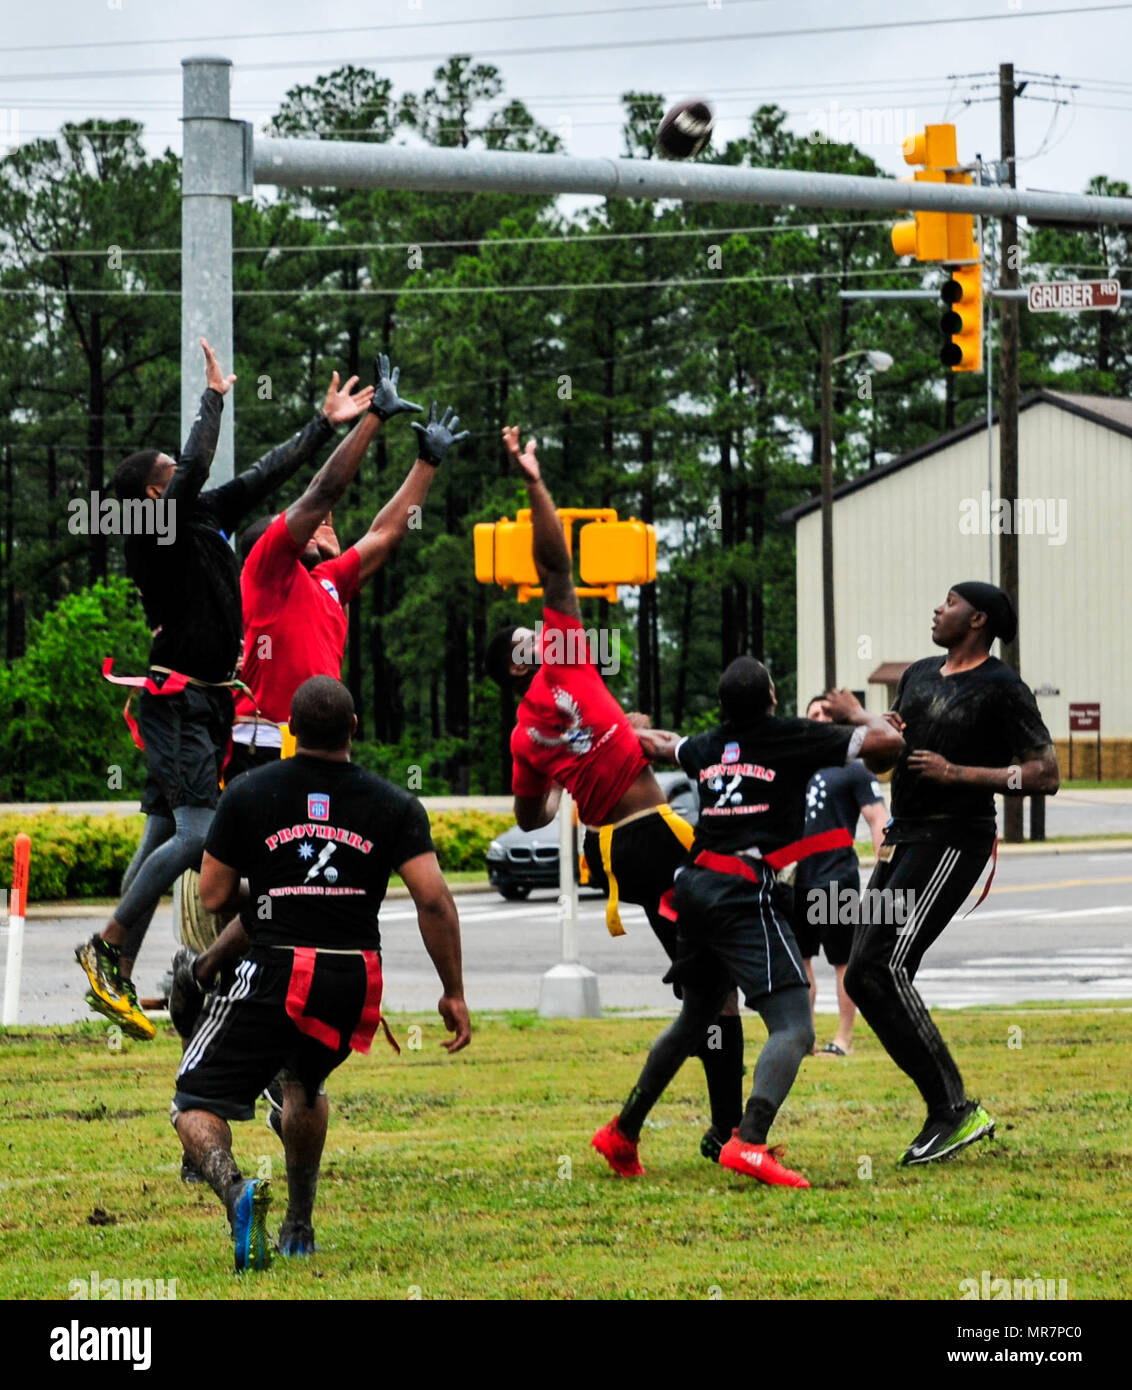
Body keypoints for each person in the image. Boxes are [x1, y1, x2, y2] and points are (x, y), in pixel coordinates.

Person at [75, 340, 373, 1039]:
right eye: (173, 474)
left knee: (158, 836)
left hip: (206, 702)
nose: (185, 476)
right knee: (199, 833)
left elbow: (271, 474)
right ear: (155, 493)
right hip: (177, 701)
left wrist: (325, 424)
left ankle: (117, 968)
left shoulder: (204, 515)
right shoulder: (157, 530)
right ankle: (107, 946)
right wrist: (212, 397)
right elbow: (198, 465)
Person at [484, 428, 744, 1161]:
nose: (545, 626)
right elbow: (554, 564)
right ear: (523, 657)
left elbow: (529, 816)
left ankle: (718, 1130)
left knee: (715, 989)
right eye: (531, 633)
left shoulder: (521, 735)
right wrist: (535, 484)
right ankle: (644, 1130)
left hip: (627, 847)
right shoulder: (564, 662)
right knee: (711, 996)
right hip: (655, 839)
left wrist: (569, 768)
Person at [173, 676, 471, 1272]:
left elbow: (211, 896)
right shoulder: (394, 803)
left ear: (290, 729)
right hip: (354, 976)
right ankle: (299, 1222)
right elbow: (433, 899)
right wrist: (453, 992)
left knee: (193, 1102)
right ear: (353, 729)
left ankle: (237, 1193)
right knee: (304, 1085)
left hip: (278, 968)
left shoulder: (251, 792)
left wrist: (281, 888)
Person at [591, 659, 903, 1188]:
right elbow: (887, 749)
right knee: (794, 1027)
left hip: (694, 886)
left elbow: (665, 746)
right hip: (740, 888)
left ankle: (623, 1131)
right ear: (773, 698)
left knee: (697, 1016)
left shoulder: (708, 745)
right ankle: (750, 1141)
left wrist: (628, 728)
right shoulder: (792, 737)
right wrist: (856, 713)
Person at [844, 582, 1059, 1166]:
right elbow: (887, 761)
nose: (937, 608)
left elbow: (1043, 775)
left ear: (977, 619)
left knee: (877, 965)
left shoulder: (1002, 686)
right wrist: (879, 741)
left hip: (951, 840)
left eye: (950, 602)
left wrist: (956, 772)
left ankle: (955, 1110)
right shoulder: (916, 674)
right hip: (902, 838)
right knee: (864, 977)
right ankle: (947, 1110)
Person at [228, 363, 467, 777]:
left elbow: (386, 533)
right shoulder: (266, 571)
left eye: (328, 523)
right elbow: (323, 492)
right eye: (319, 523)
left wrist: (427, 461)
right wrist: (374, 416)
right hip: (264, 746)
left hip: (326, 746)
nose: (325, 525)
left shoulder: (329, 580)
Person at [792, 694, 889, 1057]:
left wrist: (886, 863)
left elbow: (877, 817)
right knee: (799, 963)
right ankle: (806, 1038)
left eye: (825, 712)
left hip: (837, 877)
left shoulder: (853, 766)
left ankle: (843, 1039)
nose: (818, 717)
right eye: (812, 713)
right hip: (795, 878)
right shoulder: (794, 766)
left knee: (844, 963)